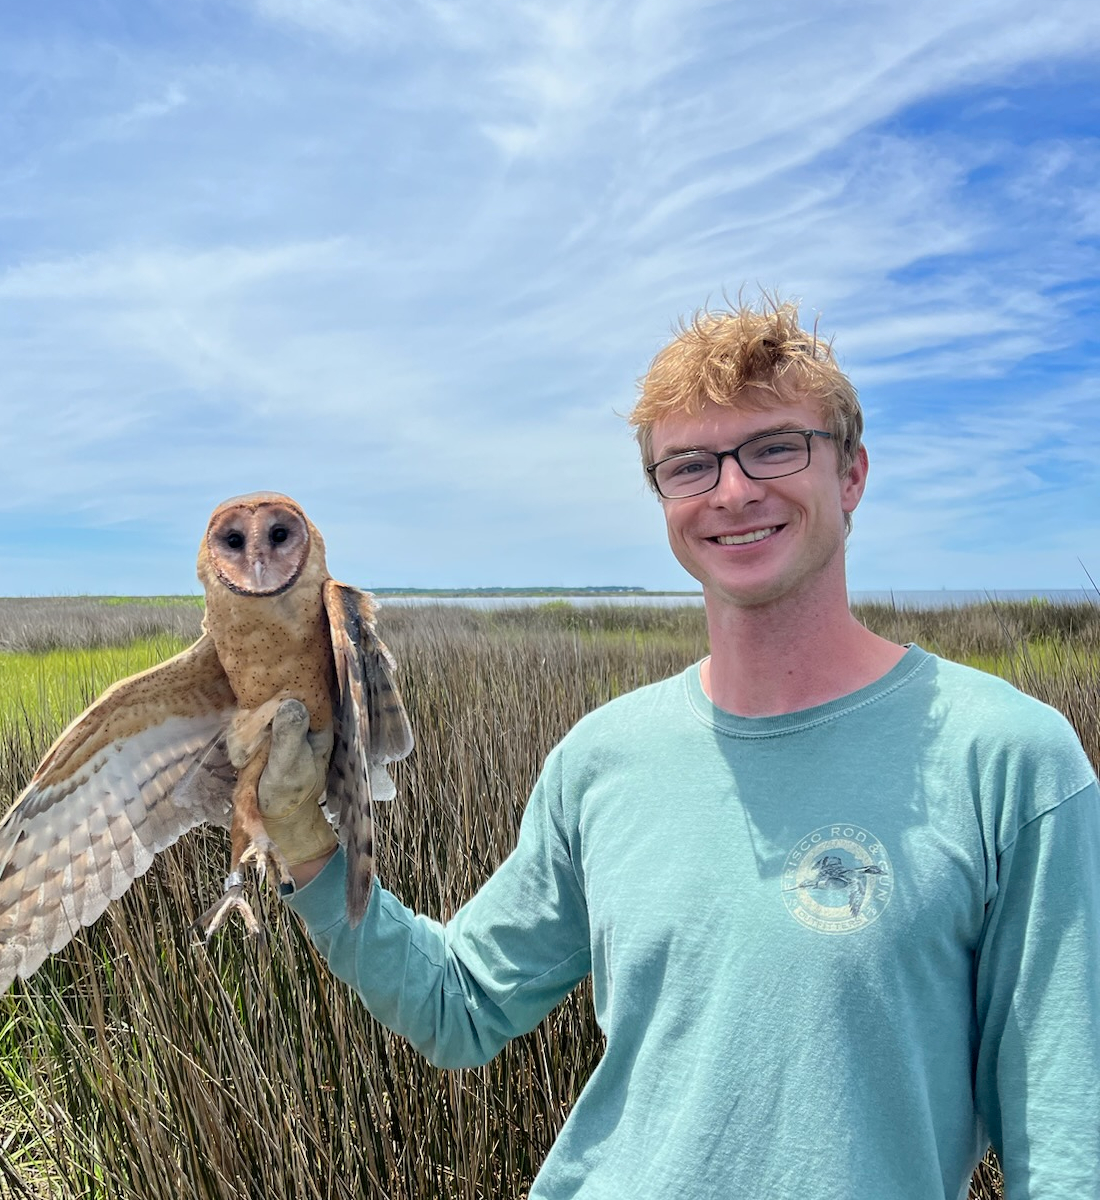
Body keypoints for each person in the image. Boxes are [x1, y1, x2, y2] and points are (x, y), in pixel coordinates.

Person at [263, 297, 1100, 1199]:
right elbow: (458, 1006)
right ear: (663, 499)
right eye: (690, 465)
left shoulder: (1012, 760)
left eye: (777, 447)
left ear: (851, 474)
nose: (733, 491)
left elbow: (1060, 1137)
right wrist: (308, 846)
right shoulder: (601, 760)